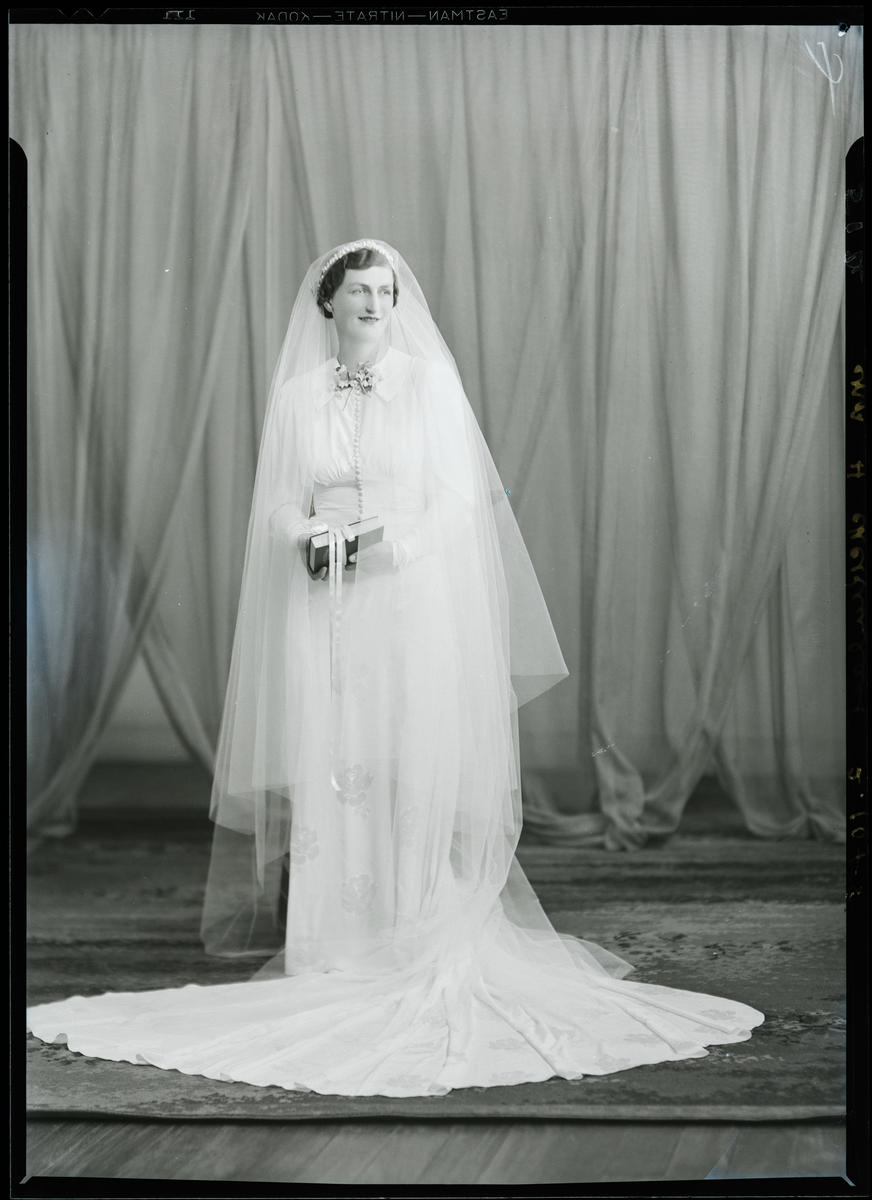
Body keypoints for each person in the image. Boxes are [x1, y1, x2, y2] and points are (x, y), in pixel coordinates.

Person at [27, 239, 763, 1097]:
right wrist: (310, 537)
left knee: (404, 758)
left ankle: (410, 934)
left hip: (408, 602)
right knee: (334, 762)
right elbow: (275, 504)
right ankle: (332, 949)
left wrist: (393, 548)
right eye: (360, 291)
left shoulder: (429, 386)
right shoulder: (299, 396)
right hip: (322, 603)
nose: (376, 304)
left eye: (385, 292)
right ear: (328, 304)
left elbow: (458, 500)